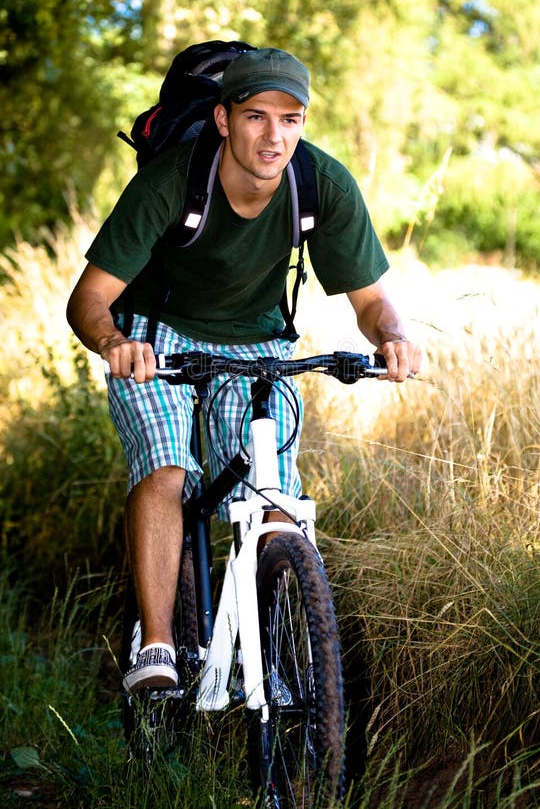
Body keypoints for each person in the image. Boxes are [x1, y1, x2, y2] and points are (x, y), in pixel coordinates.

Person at [66, 47, 422, 693]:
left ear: (303, 123)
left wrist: (393, 336)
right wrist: (114, 341)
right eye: (256, 116)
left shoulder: (320, 184)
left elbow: (372, 302)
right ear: (224, 119)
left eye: (290, 119)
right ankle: (156, 645)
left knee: (271, 496)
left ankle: (280, 660)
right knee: (168, 468)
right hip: (155, 335)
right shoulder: (173, 181)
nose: (273, 136)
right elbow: (88, 298)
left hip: (258, 342)